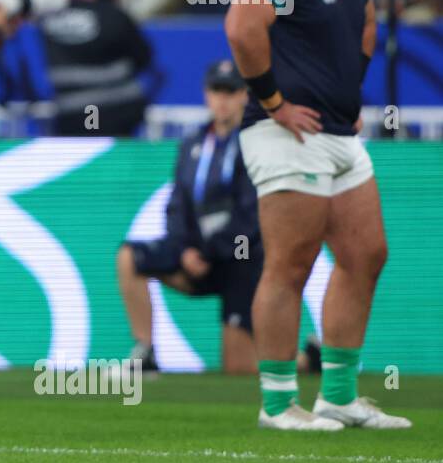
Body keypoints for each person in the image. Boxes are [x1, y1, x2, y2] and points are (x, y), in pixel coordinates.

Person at [225, 0, 410, 430]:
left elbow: (368, 23)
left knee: (365, 254)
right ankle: (278, 403)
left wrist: (346, 96)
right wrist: (275, 102)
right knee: (291, 262)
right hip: (284, 133)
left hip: (334, 131)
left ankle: (337, 395)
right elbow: (241, 26)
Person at [117, 60, 322, 375]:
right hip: (195, 254)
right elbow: (177, 206)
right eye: (217, 91)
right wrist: (183, 249)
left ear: (244, 95)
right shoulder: (193, 144)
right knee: (130, 257)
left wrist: (210, 250)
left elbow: (251, 214)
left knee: (238, 368)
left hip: (240, 258)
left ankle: (308, 361)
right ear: (206, 94)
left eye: (231, 91)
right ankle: (145, 352)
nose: (222, 99)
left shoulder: (256, 143)